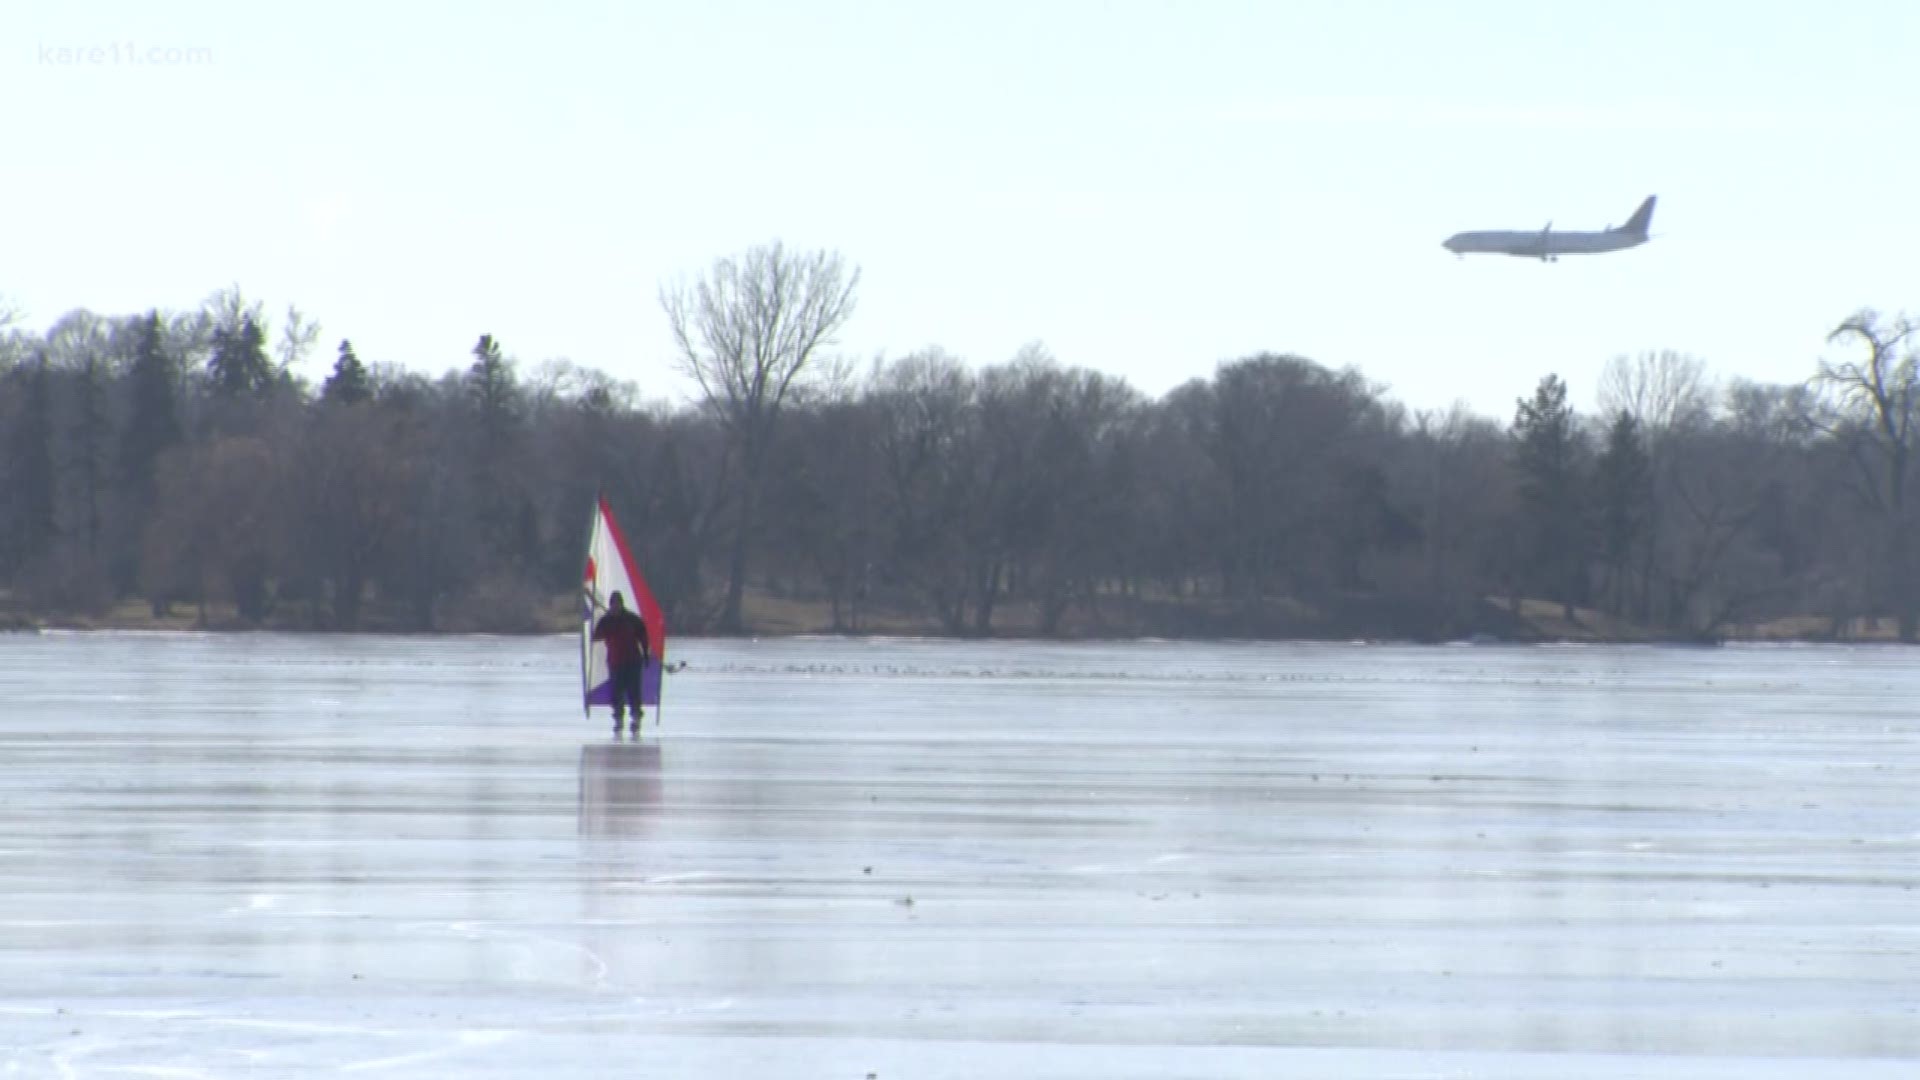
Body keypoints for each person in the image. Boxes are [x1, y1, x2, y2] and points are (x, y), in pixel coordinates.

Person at [591, 591, 651, 734]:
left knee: (634, 691)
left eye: (618, 603)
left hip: (633, 661)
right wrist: (599, 620)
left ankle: (636, 718)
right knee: (617, 692)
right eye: (613, 604)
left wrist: (646, 655)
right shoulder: (606, 620)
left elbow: (643, 636)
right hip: (615, 662)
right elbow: (596, 636)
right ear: (611, 605)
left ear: (621, 604)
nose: (616, 606)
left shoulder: (631, 619)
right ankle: (618, 719)